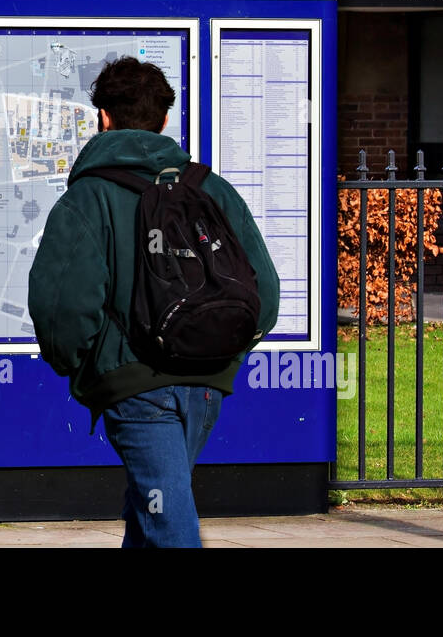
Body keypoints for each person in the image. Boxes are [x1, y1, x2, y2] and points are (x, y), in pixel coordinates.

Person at [27, 57, 280, 548]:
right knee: (157, 501)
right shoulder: (211, 188)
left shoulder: (88, 197)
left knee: (166, 522)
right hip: (207, 385)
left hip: (136, 386)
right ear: (165, 120)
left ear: (103, 117)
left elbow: (61, 306)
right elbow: (264, 296)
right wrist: (221, 348)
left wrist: (85, 363)